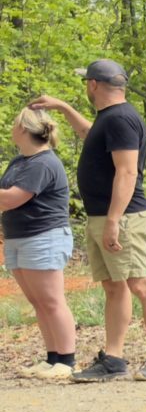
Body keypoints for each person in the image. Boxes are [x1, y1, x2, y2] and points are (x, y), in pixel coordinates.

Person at [34, 59, 146, 381]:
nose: (86, 87)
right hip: (104, 216)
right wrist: (64, 108)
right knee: (114, 287)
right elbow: (89, 134)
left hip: (123, 217)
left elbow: (126, 171)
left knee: (139, 282)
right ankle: (114, 359)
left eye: (86, 83)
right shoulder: (108, 119)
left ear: (94, 85)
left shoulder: (121, 119)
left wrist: (114, 220)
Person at [2, 105, 78, 379]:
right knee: (38, 301)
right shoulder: (20, 161)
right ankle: (52, 358)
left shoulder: (44, 162)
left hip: (43, 237)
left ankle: (67, 361)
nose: (12, 128)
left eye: (14, 124)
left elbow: (12, 198)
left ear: (23, 128)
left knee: (52, 300)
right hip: (20, 238)